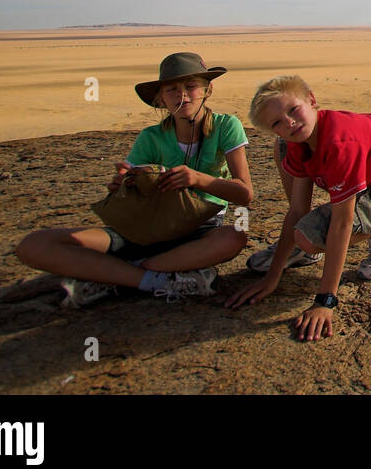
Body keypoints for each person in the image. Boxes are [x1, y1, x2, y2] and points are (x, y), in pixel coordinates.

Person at [15, 52, 252, 307]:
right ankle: (158, 280)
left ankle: (114, 274)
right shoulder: (150, 137)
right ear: (160, 98)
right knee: (34, 244)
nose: (182, 95)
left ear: (208, 90)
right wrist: (121, 186)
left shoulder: (226, 126)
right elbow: (128, 179)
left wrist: (196, 179)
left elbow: (244, 194)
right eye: (172, 89)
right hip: (144, 228)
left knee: (233, 237)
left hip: (200, 230)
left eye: (191, 86)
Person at [225, 75, 371, 341]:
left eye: (293, 110)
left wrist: (326, 301)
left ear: (312, 100)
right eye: (277, 122)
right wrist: (272, 277)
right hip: (358, 180)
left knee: (308, 237)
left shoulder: (341, 143)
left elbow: (342, 223)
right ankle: (302, 252)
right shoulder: (294, 141)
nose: (289, 122)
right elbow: (297, 210)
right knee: (282, 151)